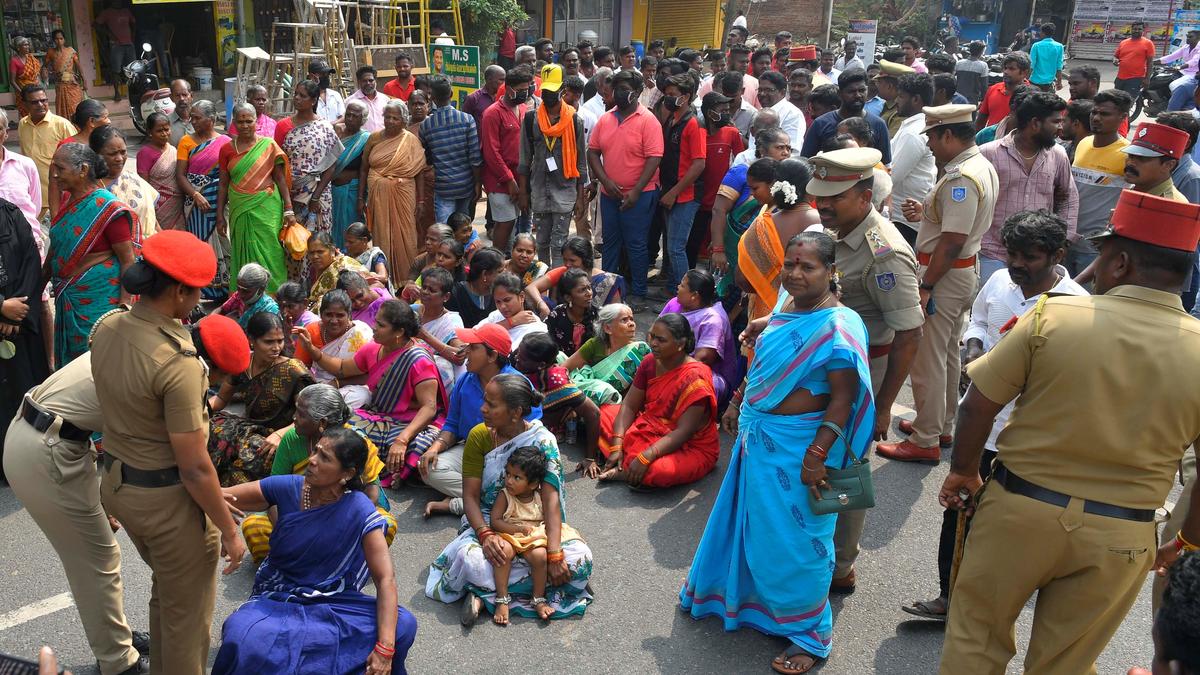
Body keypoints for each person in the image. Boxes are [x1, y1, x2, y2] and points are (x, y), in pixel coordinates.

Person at [936, 189, 1200, 673]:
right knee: (1066, 664)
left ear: (1120, 263)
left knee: (976, 638)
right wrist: (1187, 542)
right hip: (1122, 533)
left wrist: (964, 473)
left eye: (1101, 255)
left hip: (1020, 511)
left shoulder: (1050, 315)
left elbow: (977, 405)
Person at [682, 231, 874, 675]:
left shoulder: (839, 328)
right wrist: (737, 400)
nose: (795, 273)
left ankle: (810, 634)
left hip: (800, 446)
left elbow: (843, 399)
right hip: (759, 436)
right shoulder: (788, 306)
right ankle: (754, 603)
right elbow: (767, 359)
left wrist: (816, 456)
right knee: (756, 526)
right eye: (790, 264)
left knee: (801, 540)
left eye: (808, 267)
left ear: (831, 271)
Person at [901, 208, 1086, 622]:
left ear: (1057, 255)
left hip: (1029, 442)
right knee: (959, 511)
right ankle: (949, 596)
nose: (1017, 264)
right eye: (1012, 254)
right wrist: (973, 349)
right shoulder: (1000, 280)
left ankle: (995, 608)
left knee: (1013, 526)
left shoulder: (1077, 306)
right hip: (981, 431)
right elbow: (980, 320)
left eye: (1029, 257)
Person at [91, 231, 248, 675]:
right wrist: (229, 531)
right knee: (187, 624)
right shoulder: (178, 363)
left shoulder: (109, 325)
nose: (198, 301)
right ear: (179, 291)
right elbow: (195, 467)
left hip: (119, 485)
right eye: (196, 291)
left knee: (169, 595)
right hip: (165, 503)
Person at [213, 428, 416, 674]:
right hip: (279, 596)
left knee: (402, 625)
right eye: (316, 451)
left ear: (347, 473)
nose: (312, 460)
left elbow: (385, 579)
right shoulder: (288, 487)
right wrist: (227, 529)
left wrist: (384, 648)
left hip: (332, 598)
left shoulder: (358, 508)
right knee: (242, 638)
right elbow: (216, 496)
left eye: (324, 458)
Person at [876, 104, 998, 463]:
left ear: (947, 134)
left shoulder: (962, 177)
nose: (928, 144)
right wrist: (927, 212)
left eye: (931, 136)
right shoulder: (977, 165)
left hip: (944, 274)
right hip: (958, 272)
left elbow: (952, 240)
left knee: (926, 357)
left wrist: (926, 285)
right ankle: (939, 424)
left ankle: (926, 438)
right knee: (945, 354)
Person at [425, 372, 591, 622]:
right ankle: (541, 589)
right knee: (471, 560)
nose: (483, 409)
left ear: (516, 412)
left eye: (491, 405)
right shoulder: (479, 436)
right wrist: (485, 535)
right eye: (484, 401)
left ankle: (485, 594)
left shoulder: (543, 441)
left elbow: (550, 502)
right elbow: (470, 497)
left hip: (536, 526)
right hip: (491, 521)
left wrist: (555, 553)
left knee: (580, 559)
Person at [237, 383, 395, 561]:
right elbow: (274, 495)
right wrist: (287, 530)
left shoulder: (354, 442)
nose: (294, 418)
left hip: (342, 518)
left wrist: (338, 528)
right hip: (297, 514)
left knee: (386, 524)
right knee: (254, 527)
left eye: (301, 414)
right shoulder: (291, 439)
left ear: (322, 423)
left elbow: (371, 492)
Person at [296, 299, 446, 485]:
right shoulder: (375, 348)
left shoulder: (418, 360)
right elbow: (342, 368)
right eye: (376, 322)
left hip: (413, 421)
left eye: (381, 325)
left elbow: (429, 407)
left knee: (417, 444)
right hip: (380, 415)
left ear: (399, 332)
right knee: (341, 425)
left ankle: (382, 471)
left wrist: (402, 439)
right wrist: (311, 349)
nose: (374, 328)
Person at [596, 313, 720, 488]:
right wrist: (617, 443)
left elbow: (684, 432)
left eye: (661, 340)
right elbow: (629, 405)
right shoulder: (650, 362)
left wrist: (647, 456)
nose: (653, 343)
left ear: (681, 344)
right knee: (602, 414)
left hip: (688, 445)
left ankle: (626, 469)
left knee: (659, 470)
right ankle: (626, 461)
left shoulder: (696, 378)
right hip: (649, 426)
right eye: (652, 336)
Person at [46, 143, 137, 366]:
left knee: (99, 362)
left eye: (60, 168)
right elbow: (56, 251)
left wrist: (124, 306)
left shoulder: (108, 208)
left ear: (83, 170)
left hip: (100, 303)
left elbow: (128, 260)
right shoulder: (69, 203)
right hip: (68, 298)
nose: (55, 175)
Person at [976, 92, 1078, 283]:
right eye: (1056, 122)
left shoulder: (1058, 155)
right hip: (993, 253)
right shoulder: (989, 153)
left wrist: (1065, 239)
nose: (1060, 128)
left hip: (1039, 259)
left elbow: (1068, 198)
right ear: (1035, 123)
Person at [208, 312, 314, 486]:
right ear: (251, 340)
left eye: (280, 341)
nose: (276, 347)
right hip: (250, 428)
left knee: (253, 453)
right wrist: (199, 410)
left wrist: (280, 434)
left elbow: (310, 415)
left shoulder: (293, 370)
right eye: (269, 342)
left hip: (283, 434)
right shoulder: (243, 364)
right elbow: (220, 399)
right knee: (210, 428)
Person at [587, 69, 663, 307]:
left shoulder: (648, 120)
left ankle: (638, 292)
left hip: (640, 195)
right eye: (616, 89)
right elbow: (593, 152)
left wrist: (637, 190)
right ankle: (607, 290)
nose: (619, 93)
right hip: (610, 194)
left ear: (638, 92)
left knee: (636, 244)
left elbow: (654, 157)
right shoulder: (606, 118)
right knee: (610, 243)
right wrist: (605, 181)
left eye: (625, 89)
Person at [486, 444, 585, 625]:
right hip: (510, 535)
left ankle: (538, 599)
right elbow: (495, 521)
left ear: (532, 483)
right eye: (508, 474)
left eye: (517, 477)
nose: (509, 480)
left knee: (540, 556)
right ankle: (502, 598)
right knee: (503, 552)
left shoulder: (539, 496)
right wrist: (516, 529)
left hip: (533, 538)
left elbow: (549, 519)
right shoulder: (505, 496)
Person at [737, 158, 822, 326]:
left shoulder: (761, 224)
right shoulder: (821, 222)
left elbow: (742, 279)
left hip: (763, 317)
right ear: (810, 188)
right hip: (804, 316)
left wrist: (767, 286)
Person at [216, 102, 291, 291]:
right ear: (233, 122)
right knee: (242, 250)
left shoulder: (269, 145)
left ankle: (274, 293)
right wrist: (219, 216)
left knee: (271, 249)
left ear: (256, 121)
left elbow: (280, 179)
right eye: (240, 122)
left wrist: (289, 209)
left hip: (267, 207)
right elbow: (223, 184)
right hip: (239, 208)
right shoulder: (226, 150)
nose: (245, 126)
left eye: (249, 121)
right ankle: (245, 294)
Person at [519, 64, 588, 269]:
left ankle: (556, 282)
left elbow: (581, 163)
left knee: (559, 244)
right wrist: (523, 192)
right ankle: (542, 281)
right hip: (539, 190)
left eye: (553, 90)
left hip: (565, 191)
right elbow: (524, 159)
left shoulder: (574, 120)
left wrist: (580, 198)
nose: (548, 95)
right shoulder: (531, 119)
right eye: (546, 91)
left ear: (563, 90)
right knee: (541, 242)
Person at [0, 195, 49, 472]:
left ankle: (27, 464)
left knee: (26, 392)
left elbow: (31, 263)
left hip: (19, 325)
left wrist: (18, 312)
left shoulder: (10, 213)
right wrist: (1, 307)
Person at [513, 332, 603, 470]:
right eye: (518, 353)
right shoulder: (522, 365)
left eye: (523, 358)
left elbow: (593, 413)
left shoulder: (558, 383)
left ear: (541, 365)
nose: (517, 358)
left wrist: (590, 458)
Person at [1067, 89, 1133, 277]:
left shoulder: (1128, 154)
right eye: (1094, 112)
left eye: (1104, 114)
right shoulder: (1084, 143)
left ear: (1123, 117)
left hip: (1095, 248)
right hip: (1069, 239)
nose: (1096, 118)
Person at [360, 99, 425, 284]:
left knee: (406, 234)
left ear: (404, 120)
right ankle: (385, 279)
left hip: (404, 194)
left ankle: (406, 280)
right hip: (378, 196)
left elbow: (419, 171)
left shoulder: (411, 140)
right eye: (387, 117)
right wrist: (360, 197)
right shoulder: (374, 138)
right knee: (381, 234)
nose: (390, 121)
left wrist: (421, 201)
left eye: (395, 118)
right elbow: (364, 168)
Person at [175, 99, 231, 300]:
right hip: (194, 203)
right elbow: (180, 175)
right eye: (192, 117)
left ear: (211, 119)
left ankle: (223, 286)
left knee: (221, 238)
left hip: (219, 199)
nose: (193, 121)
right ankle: (202, 287)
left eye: (197, 118)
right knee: (199, 242)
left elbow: (228, 176)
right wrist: (196, 195)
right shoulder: (186, 142)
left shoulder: (225, 142)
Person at [277, 80, 343, 248]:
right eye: (296, 94)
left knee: (320, 241)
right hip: (292, 193)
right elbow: (278, 163)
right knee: (293, 242)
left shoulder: (325, 127)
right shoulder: (283, 126)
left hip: (320, 192)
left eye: (302, 96)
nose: (297, 98)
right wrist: (287, 203)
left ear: (313, 101)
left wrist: (316, 196)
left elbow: (331, 164)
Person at [657, 269, 738, 402]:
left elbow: (702, 360)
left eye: (682, 285)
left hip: (702, 374)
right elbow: (654, 333)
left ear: (694, 295)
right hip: (670, 363)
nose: (678, 287)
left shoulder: (713, 320)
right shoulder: (675, 303)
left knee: (692, 386)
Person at [482, 66, 534, 254]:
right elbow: (491, 152)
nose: (525, 93)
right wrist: (509, 180)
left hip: (521, 179)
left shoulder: (524, 109)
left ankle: (508, 263)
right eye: (520, 90)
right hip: (499, 181)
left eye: (527, 89)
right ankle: (495, 261)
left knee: (518, 225)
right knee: (505, 223)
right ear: (509, 89)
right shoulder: (492, 113)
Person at [294, 288, 374, 408]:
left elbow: (368, 375)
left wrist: (337, 383)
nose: (334, 321)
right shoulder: (311, 331)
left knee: (361, 396)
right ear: (321, 314)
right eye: (328, 315)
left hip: (350, 386)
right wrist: (315, 387)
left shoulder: (361, 333)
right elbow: (300, 368)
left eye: (340, 315)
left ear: (349, 315)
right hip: (318, 384)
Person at [562, 302, 649, 405]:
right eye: (624, 320)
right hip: (587, 390)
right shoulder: (595, 344)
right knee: (559, 356)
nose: (631, 324)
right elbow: (565, 367)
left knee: (606, 390)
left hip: (615, 401)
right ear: (608, 328)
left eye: (631, 319)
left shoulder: (639, 351)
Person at [423, 76, 482, 225]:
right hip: (466, 185)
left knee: (444, 232)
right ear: (451, 94)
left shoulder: (426, 125)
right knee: (463, 229)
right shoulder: (467, 119)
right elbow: (475, 157)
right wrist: (478, 183)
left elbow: (427, 157)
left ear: (432, 98)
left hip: (443, 188)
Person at [801, 70, 892, 162]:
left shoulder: (878, 124)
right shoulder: (821, 124)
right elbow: (806, 160)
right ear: (840, 94)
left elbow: (885, 163)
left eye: (862, 90)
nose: (858, 95)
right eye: (851, 91)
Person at [891, 74, 938, 246]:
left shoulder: (913, 133)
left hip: (904, 218)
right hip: (906, 213)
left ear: (916, 99)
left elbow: (893, 176)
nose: (897, 101)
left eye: (901, 96)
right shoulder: (913, 126)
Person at [526, 236, 624, 314]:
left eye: (572, 260)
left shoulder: (607, 281)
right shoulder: (563, 271)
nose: (567, 264)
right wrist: (542, 305)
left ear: (585, 259)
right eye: (565, 260)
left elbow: (617, 313)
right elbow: (531, 288)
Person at [17, 85, 75, 218]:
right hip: (32, 195)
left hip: (58, 196)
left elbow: (77, 158)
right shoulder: (22, 124)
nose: (40, 105)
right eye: (34, 102)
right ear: (24, 104)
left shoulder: (62, 125)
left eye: (43, 100)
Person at [92, 126, 158, 239]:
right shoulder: (90, 188)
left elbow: (153, 222)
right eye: (112, 154)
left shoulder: (134, 180)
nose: (119, 158)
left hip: (149, 245)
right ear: (96, 154)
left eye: (123, 152)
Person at [416, 266, 466, 388]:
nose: (425, 292)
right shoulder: (414, 311)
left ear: (446, 297)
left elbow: (459, 356)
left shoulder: (451, 321)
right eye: (424, 287)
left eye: (432, 290)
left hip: (433, 382)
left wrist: (425, 336)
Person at [331, 101, 370, 249]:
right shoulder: (336, 133)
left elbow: (364, 170)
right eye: (348, 115)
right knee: (332, 228)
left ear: (363, 120)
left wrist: (361, 198)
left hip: (351, 193)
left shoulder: (365, 139)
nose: (350, 119)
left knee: (350, 230)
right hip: (331, 192)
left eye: (355, 116)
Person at [137, 112, 184, 231]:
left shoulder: (173, 149)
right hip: (158, 206)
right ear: (150, 132)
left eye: (166, 129)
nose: (164, 134)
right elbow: (144, 185)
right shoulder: (145, 153)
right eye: (159, 131)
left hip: (177, 204)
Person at [477, 272, 549, 348]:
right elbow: (475, 334)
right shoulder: (495, 315)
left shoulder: (536, 330)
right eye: (498, 302)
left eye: (507, 300)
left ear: (521, 297)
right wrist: (510, 322)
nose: (502, 306)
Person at [304, 232, 368, 308]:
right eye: (311, 253)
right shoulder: (313, 270)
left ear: (332, 250)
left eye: (320, 252)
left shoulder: (345, 266)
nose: (315, 256)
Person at [544, 267, 597, 356]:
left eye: (589, 288)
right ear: (568, 297)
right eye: (582, 290)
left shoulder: (598, 315)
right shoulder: (556, 315)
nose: (589, 293)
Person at [212, 263, 280, 329]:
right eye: (238, 288)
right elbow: (222, 309)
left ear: (261, 289)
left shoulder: (270, 310)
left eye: (246, 291)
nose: (241, 294)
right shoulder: (239, 295)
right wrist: (210, 320)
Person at [447, 246, 503, 327]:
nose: (505, 274)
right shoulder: (455, 294)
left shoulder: (500, 295)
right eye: (500, 272)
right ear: (484, 274)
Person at [977, 52, 1031, 130]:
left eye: (1011, 69)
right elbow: (980, 122)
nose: (1006, 72)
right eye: (1005, 68)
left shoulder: (1031, 95)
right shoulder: (993, 89)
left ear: (1024, 73)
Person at [757, 69, 806, 156]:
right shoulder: (760, 112)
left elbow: (793, 151)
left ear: (782, 92)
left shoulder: (792, 114)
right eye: (760, 90)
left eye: (769, 90)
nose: (762, 94)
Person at [43, 29, 85, 120]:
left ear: (64, 39)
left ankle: (77, 126)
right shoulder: (51, 52)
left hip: (72, 84)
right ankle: (65, 126)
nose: (59, 41)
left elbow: (78, 66)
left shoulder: (71, 51)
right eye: (56, 39)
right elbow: (45, 66)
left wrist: (84, 81)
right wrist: (46, 75)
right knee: (62, 108)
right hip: (60, 85)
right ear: (54, 40)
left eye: (61, 38)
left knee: (75, 107)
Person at [1113, 21, 1157, 101]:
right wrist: (1115, 60)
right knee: (1116, 101)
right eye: (1135, 29)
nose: (1137, 31)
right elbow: (1116, 56)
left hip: (1136, 78)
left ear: (1143, 30)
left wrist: (1147, 79)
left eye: (1139, 29)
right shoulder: (1123, 42)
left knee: (1128, 102)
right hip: (1120, 78)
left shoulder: (1148, 43)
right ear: (1131, 29)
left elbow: (1150, 63)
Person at [276, 280, 317, 356]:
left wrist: (287, 335)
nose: (284, 311)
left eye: (290, 306)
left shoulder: (312, 324)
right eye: (281, 306)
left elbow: (302, 357)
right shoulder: (279, 317)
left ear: (305, 303)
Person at [346, 65, 391, 132]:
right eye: (364, 81)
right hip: (362, 138)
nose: (368, 83)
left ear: (375, 81)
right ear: (359, 82)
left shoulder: (385, 100)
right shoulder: (350, 102)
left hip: (384, 138)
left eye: (371, 80)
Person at [347, 221, 391, 288]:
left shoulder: (375, 255)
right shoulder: (347, 255)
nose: (346, 245)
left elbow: (383, 277)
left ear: (364, 240)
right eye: (346, 241)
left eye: (351, 242)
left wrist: (363, 276)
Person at [464, 65, 504, 132]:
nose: (504, 83)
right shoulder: (473, 98)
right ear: (489, 79)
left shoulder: (504, 98)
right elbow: (465, 123)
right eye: (501, 80)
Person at [9, 37, 41, 119]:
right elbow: (12, 81)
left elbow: (36, 75)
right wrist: (23, 93)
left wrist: (38, 87)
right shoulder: (14, 61)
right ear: (18, 47)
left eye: (28, 45)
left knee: (37, 111)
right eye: (25, 45)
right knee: (25, 114)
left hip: (34, 90)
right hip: (22, 91)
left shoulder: (31, 58)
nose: (27, 47)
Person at [1029, 23, 1065, 92]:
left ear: (1043, 33)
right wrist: (1059, 82)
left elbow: (1031, 65)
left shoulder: (1036, 46)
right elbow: (1059, 66)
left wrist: (1025, 79)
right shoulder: (1059, 46)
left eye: (1040, 31)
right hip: (1049, 83)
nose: (1039, 33)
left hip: (1035, 82)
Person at [166, 79, 194, 146]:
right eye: (177, 95)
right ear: (171, 98)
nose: (181, 98)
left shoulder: (201, 119)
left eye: (184, 95)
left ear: (191, 96)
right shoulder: (166, 122)